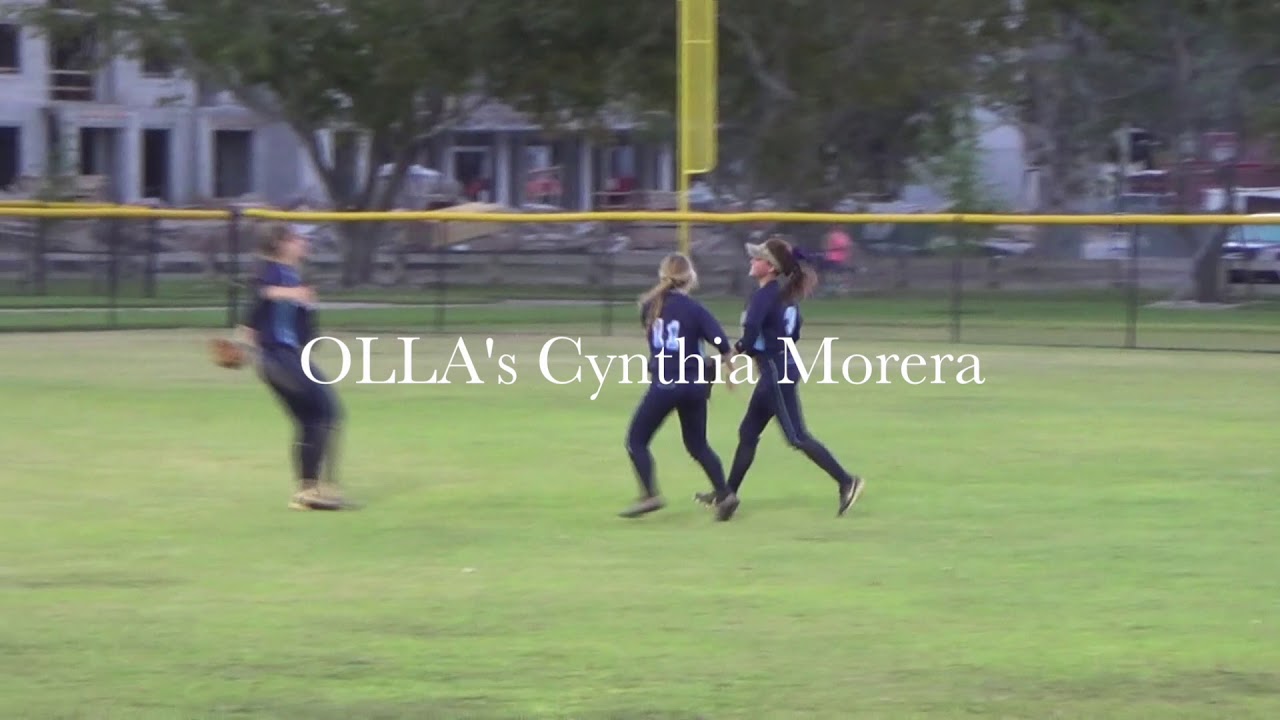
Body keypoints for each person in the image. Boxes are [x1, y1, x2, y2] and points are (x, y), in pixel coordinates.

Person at [695, 236, 865, 516]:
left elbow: (750, 337)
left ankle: (847, 481)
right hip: (775, 371)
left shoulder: (766, 296)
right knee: (747, 433)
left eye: (758, 258)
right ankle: (727, 496)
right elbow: (791, 332)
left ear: (771, 267)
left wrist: (726, 358)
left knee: (797, 437)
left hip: (777, 372)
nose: (752, 261)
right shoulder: (782, 296)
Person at [619, 252, 741, 522]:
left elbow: (654, 337)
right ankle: (725, 494)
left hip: (666, 383)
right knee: (697, 444)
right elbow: (724, 347)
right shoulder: (696, 309)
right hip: (695, 384)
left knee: (636, 440)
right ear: (691, 278)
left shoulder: (650, 307)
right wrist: (730, 373)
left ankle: (650, 494)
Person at [236, 224, 348, 511]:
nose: (303, 243)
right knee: (324, 411)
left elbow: (300, 332)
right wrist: (293, 295)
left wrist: (308, 308)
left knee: (315, 417)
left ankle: (310, 490)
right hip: (277, 358)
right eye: (297, 238)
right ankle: (314, 489)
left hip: (290, 357)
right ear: (281, 244)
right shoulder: (272, 270)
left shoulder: (294, 277)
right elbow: (260, 293)